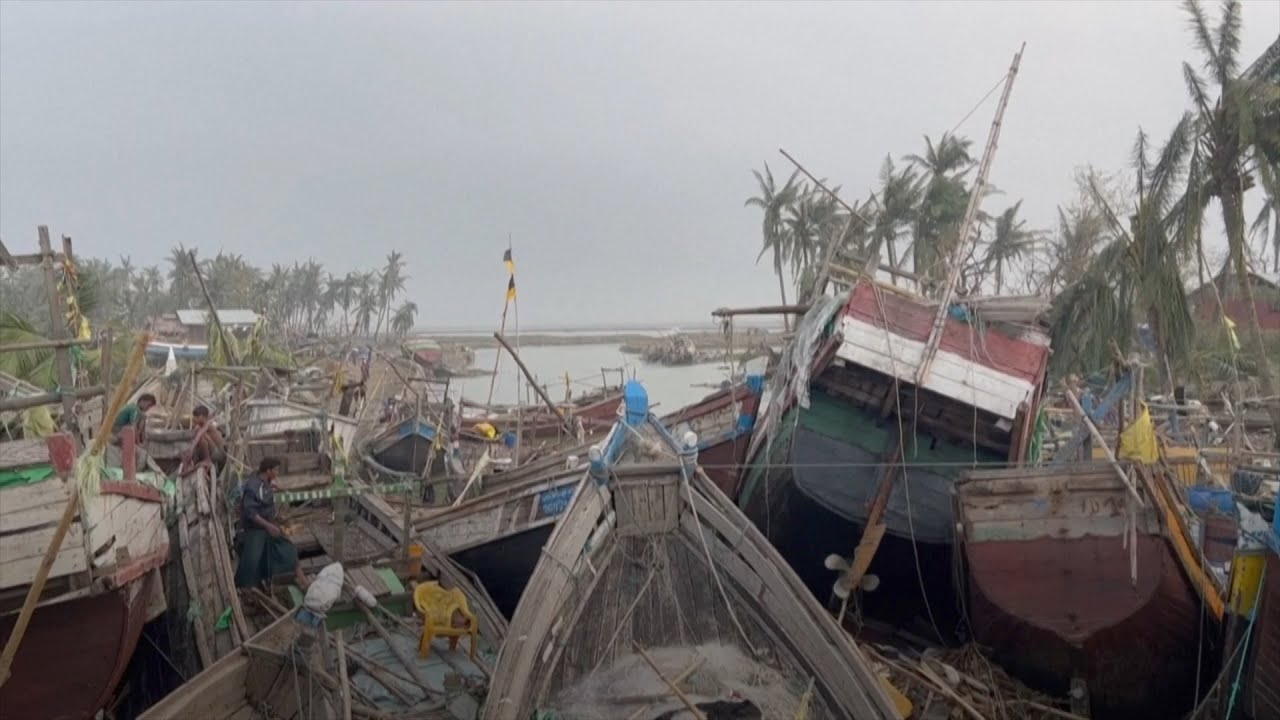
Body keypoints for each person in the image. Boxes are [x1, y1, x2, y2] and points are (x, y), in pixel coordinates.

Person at [234, 458, 309, 589]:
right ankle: (244, 590)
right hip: (255, 530)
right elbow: (251, 513)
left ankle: (304, 581)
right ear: (268, 471)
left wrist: (272, 486)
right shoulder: (253, 487)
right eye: (275, 470)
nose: (277, 472)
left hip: (269, 527)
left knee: (289, 549)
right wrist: (268, 526)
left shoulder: (264, 481)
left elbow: (264, 494)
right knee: (251, 563)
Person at [183, 405, 226, 475]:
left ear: (201, 417)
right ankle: (197, 460)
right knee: (197, 437)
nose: (194, 418)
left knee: (202, 437)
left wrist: (191, 450)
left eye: (196, 417)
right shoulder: (199, 426)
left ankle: (207, 459)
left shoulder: (208, 424)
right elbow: (193, 436)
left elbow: (199, 435)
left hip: (218, 454)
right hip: (213, 451)